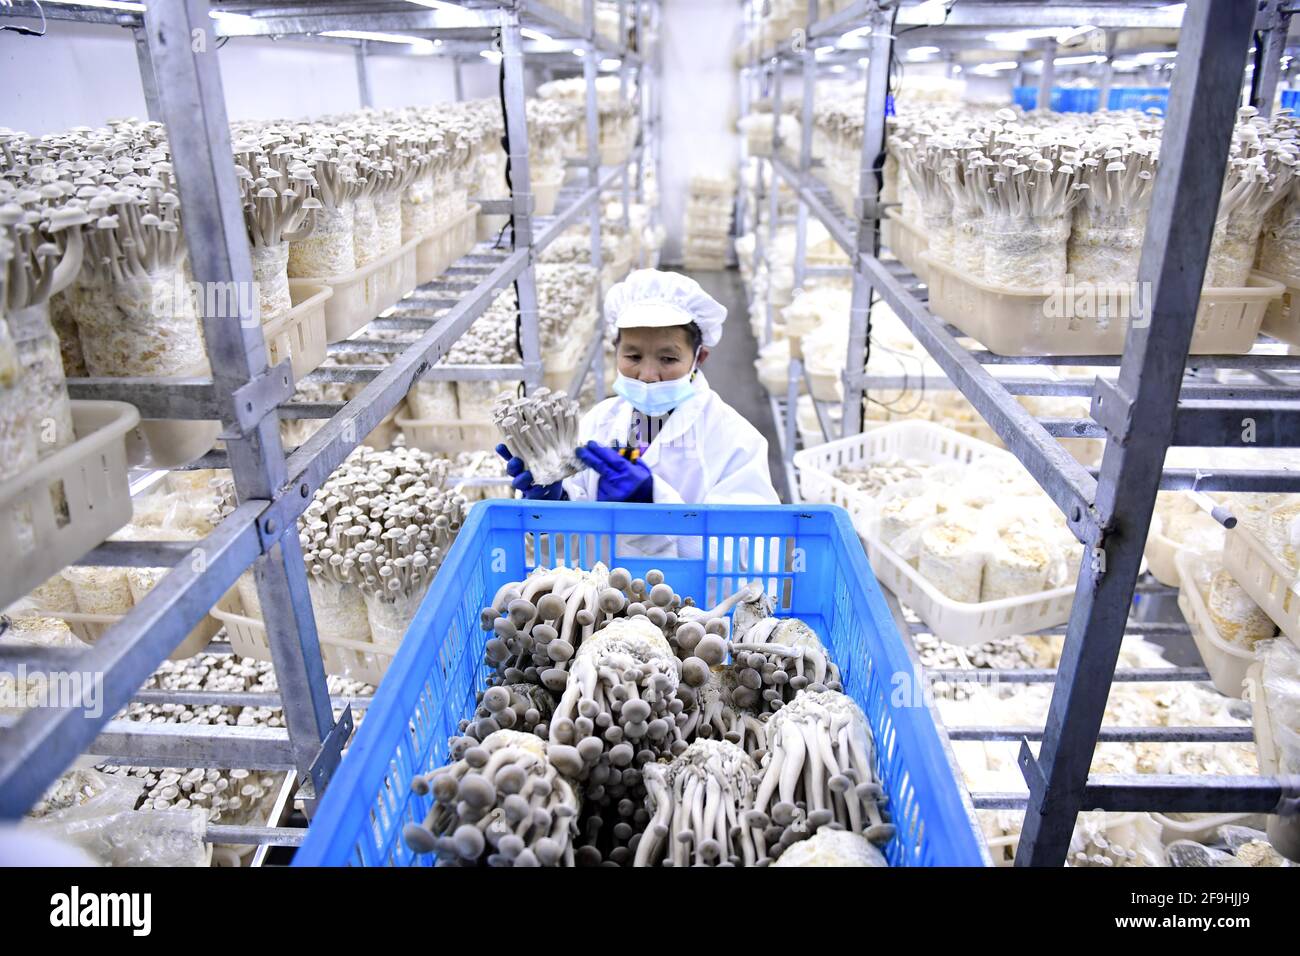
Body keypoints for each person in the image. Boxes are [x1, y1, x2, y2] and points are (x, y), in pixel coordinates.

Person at [496, 270, 779, 544]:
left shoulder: (736, 440)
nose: (647, 374)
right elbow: (574, 545)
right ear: (615, 351)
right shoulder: (598, 422)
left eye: (668, 359)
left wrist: (656, 506)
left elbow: (745, 557)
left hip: (692, 592)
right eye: (633, 356)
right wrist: (555, 506)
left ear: (699, 357)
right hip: (603, 589)